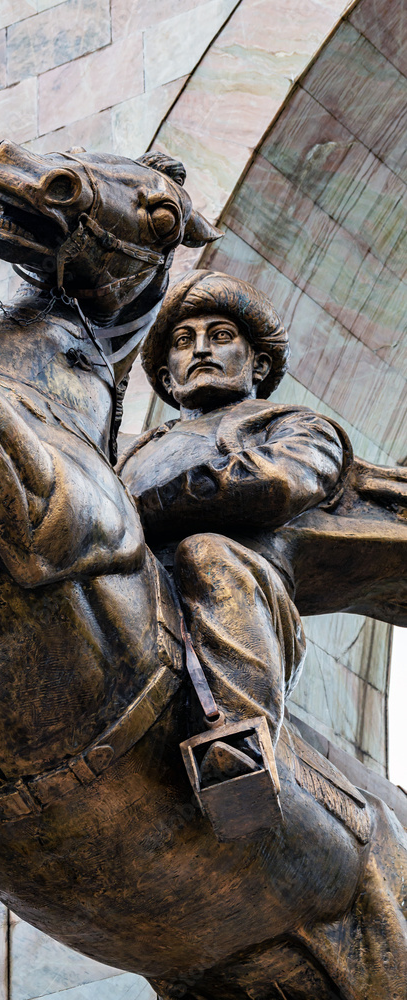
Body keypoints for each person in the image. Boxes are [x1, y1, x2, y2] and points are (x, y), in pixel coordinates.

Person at [118, 270, 348, 800]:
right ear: (168, 376)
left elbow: (279, 481)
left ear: (258, 363)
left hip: (239, 597)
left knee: (208, 553)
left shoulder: (292, 424)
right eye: (182, 342)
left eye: (220, 336)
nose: (200, 349)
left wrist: (137, 507)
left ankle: (238, 748)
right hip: (135, 589)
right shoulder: (126, 452)